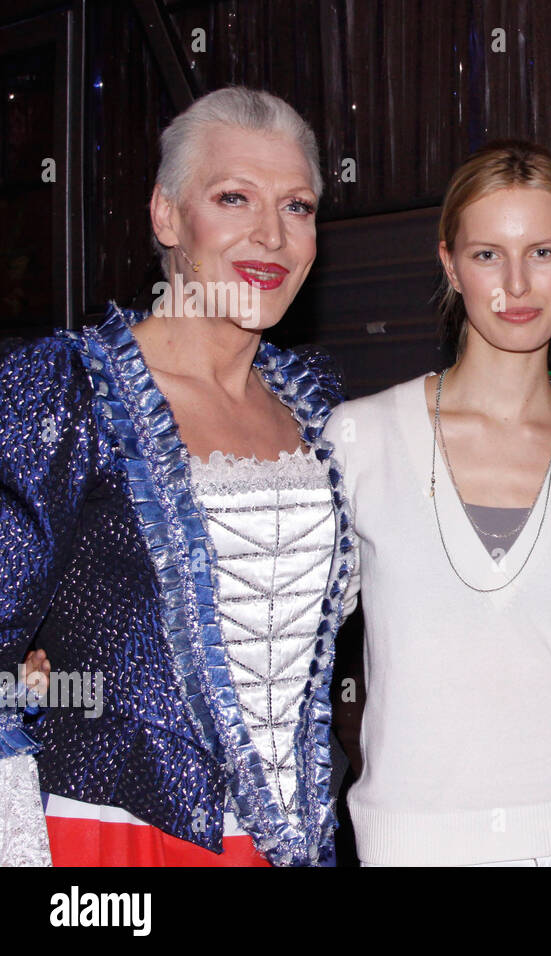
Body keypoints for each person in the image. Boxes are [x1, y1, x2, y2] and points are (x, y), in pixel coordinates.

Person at [0, 86, 350, 866]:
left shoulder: (321, 409)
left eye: (296, 206)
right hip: (115, 836)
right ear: (166, 217)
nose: (270, 234)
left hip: (292, 840)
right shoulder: (67, 391)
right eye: (234, 198)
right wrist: (42, 694)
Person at [323, 140, 551, 867]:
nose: (516, 283)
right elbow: (282, 633)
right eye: (488, 254)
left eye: (543, 252)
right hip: (417, 845)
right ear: (450, 265)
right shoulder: (360, 439)